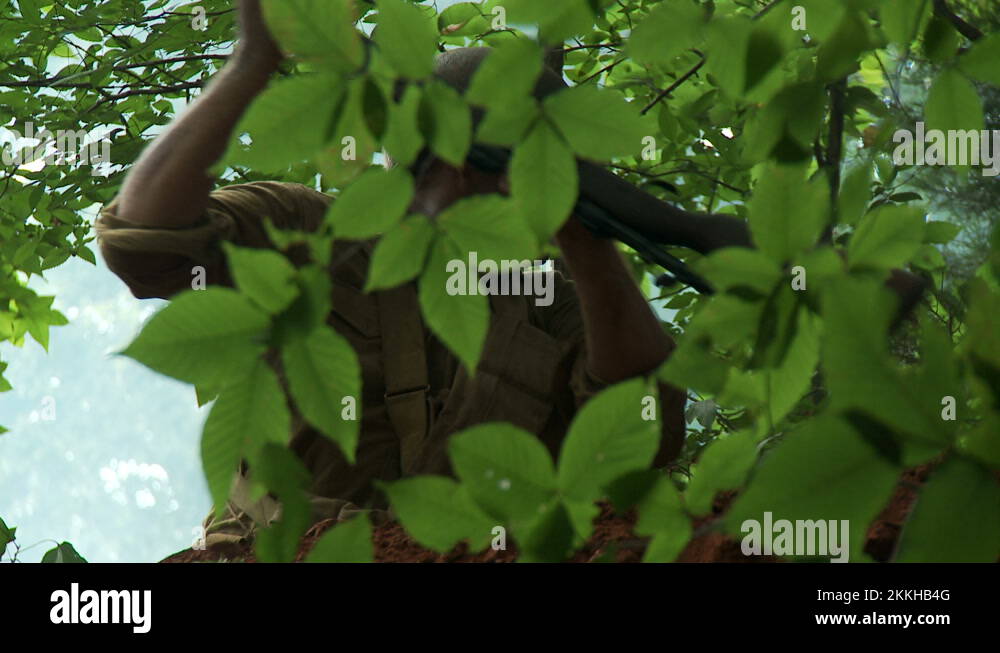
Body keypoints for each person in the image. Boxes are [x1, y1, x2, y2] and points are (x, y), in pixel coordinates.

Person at [94, 0, 692, 551]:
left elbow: (647, 436)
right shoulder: (308, 236)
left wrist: (588, 238)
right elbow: (142, 244)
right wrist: (251, 64)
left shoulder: (552, 297)